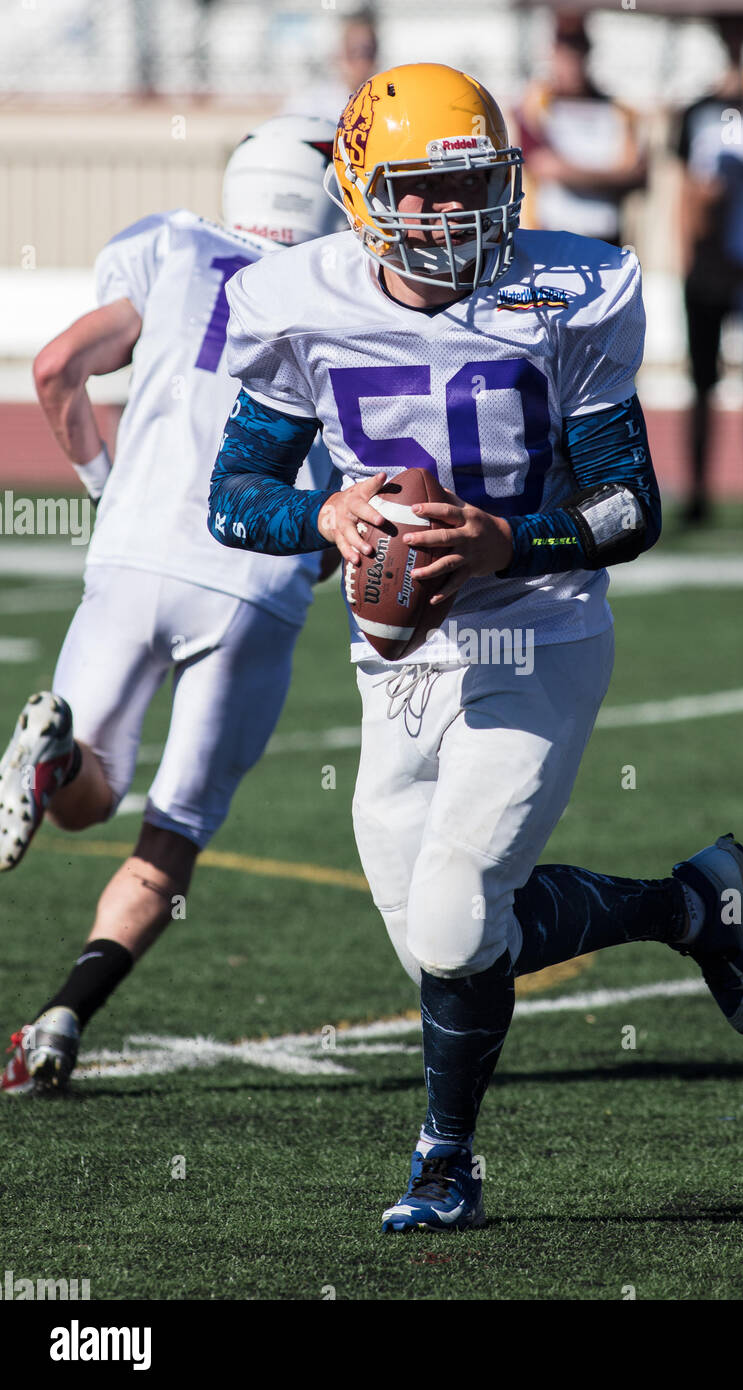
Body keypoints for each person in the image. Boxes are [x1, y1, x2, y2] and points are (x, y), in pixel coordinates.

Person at [209, 64, 743, 1232]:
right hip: (396, 658)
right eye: (425, 190)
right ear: (362, 190)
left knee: (465, 913)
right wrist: (325, 516)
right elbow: (233, 496)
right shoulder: (296, 298)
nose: (456, 214)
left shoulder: (569, 288)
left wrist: (505, 541)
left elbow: (631, 506)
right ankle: (690, 906)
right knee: (443, 948)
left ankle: (444, 1161)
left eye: (476, 184)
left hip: (540, 629)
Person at [1, 117, 345, 1096]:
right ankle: (60, 1020)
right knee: (171, 836)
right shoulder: (344, 286)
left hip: (133, 549)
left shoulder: (174, 246)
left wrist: (110, 483)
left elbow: (55, 368)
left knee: (87, 798)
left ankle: (55, 756)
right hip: (251, 577)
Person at [673, 14, 743, 525]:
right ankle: (697, 492)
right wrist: (684, 250)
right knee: (701, 379)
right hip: (706, 266)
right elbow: (684, 188)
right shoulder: (698, 110)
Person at [515, 10, 645, 246]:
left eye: (578, 52)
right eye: (566, 53)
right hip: (551, 236)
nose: (573, 63)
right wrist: (607, 175)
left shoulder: (616, 110)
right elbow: (547, 166)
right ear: (552, 53)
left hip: (606, 237)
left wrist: (574, 172)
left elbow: (637, 173)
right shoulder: (536, 105)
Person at [283, 9, 379, 124]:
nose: (360, 61)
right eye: (353, 51)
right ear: (337, 53)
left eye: (368, 52)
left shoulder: (387, 100)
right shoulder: (309, 104)